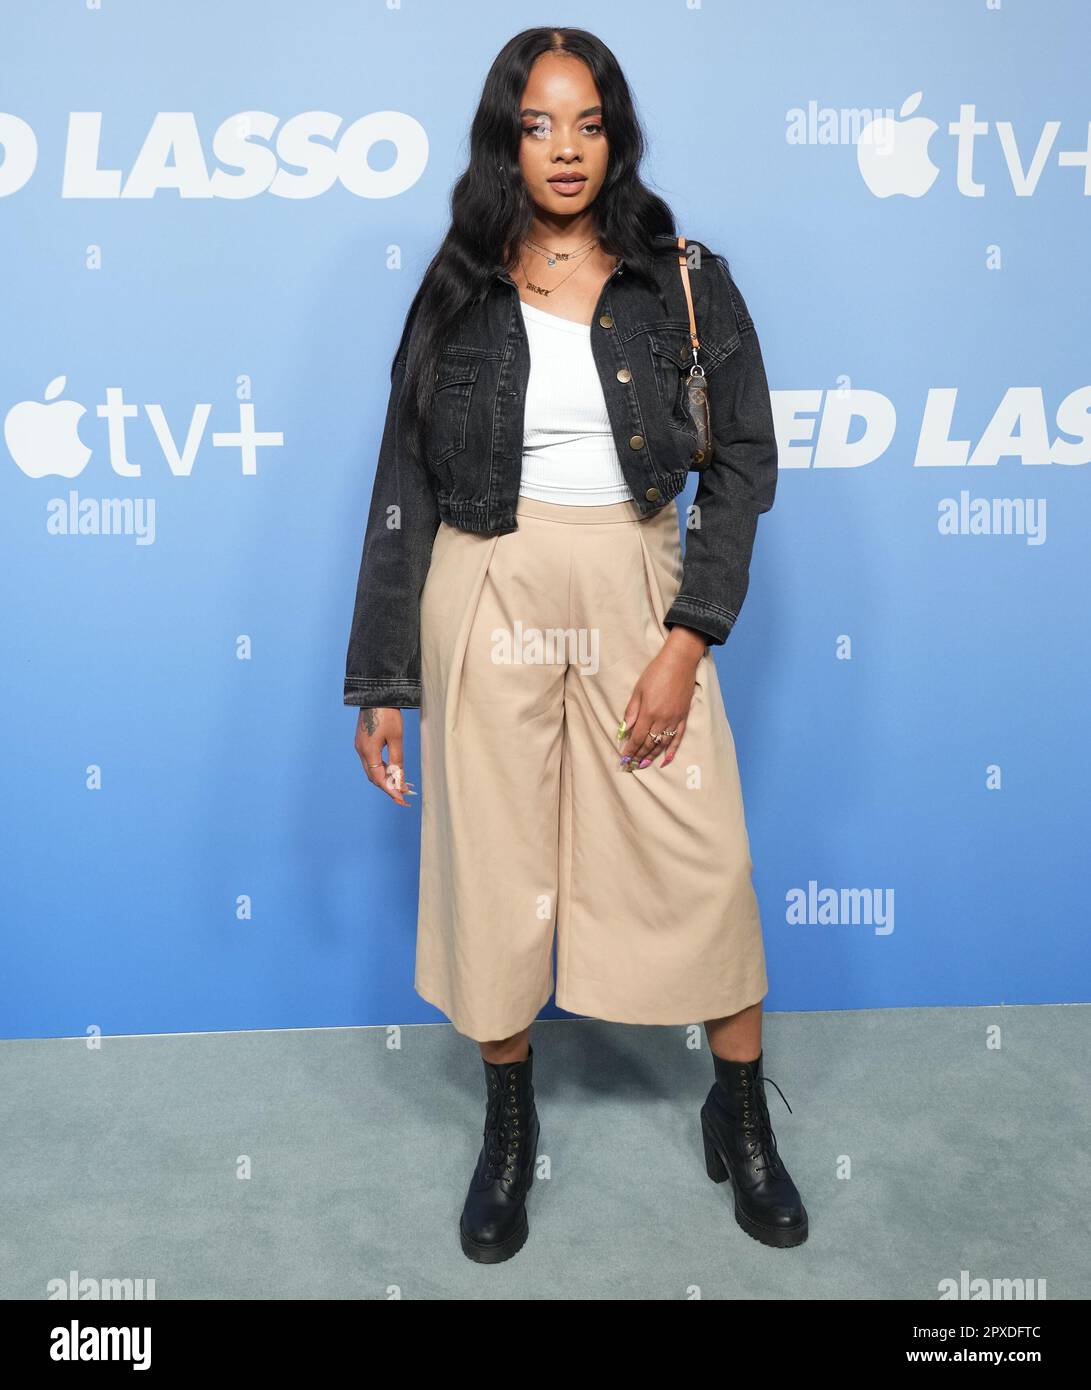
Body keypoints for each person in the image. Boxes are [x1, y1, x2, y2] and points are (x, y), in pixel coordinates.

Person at [344, 26, 807, 1263]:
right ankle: (508, 1127)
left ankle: (740, 1111)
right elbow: (404, 482)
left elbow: (744, 466)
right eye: (538, 123)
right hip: (482, 578)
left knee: (695, 851)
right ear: (507, 136)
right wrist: (382, 676)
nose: (563, 148)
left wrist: (687, 637)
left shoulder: (681, 275)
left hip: (632, 577)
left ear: (616, 133)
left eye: (586, 122)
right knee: (492, 863)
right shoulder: (460, 278)